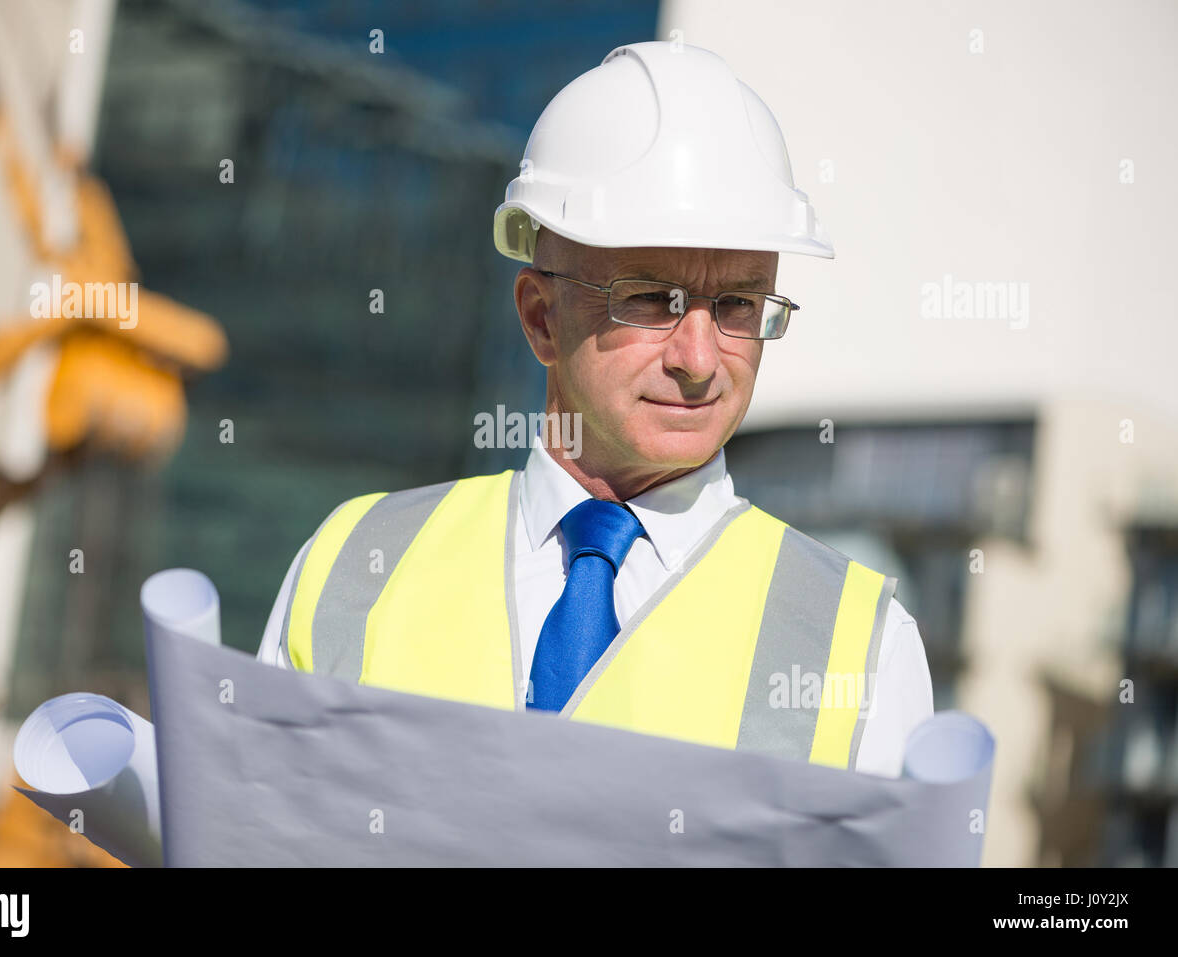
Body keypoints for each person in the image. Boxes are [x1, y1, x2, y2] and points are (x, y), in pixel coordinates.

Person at [256, 40, 932, 777]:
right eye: (649, 299)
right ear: (541, 318)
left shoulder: (859, 647)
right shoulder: (354, 567)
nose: (700, 360)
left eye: (738, 304)